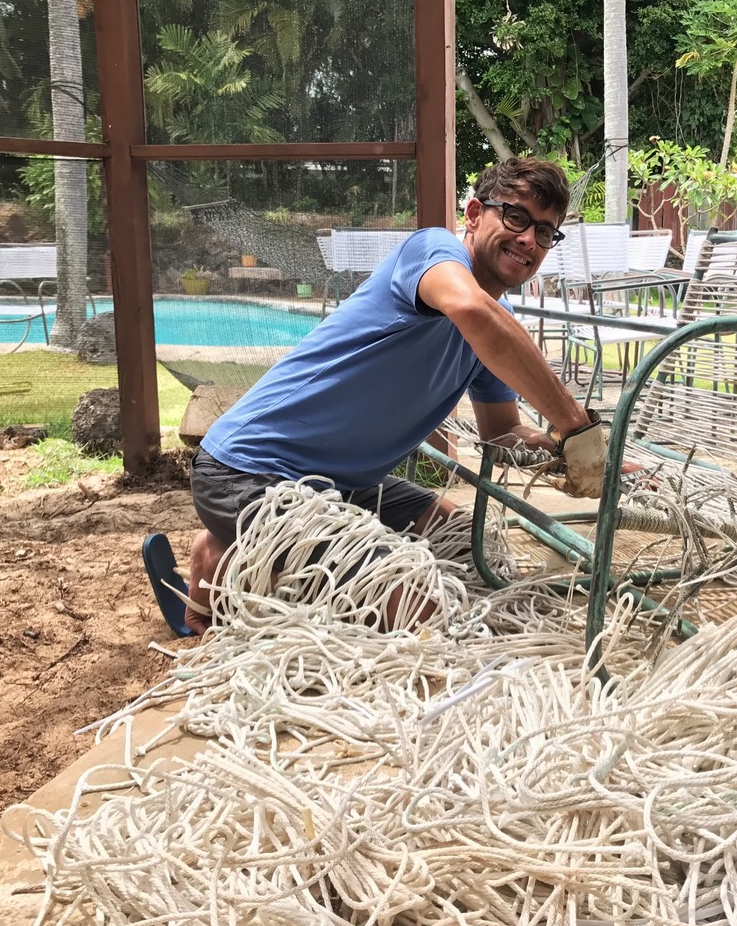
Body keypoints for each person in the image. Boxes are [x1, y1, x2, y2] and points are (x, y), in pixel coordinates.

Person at [145, 157, 607, 636]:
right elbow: (471, 310)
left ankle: (223, 551)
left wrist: (568, 453)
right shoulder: (433, 252)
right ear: (473, 214)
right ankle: (216, 584)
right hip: (249, 470)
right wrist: (576, 425)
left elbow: (503, 431)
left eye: (546, 232)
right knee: (414, 606)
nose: (530, 239)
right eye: (515, 217)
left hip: (340, 483)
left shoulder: (496, 318)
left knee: (467, 542)